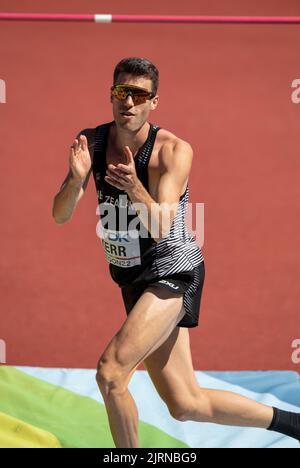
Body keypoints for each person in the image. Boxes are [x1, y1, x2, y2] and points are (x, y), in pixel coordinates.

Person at [52, 57, 300, 448]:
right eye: (121, 92)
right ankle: (295, 424)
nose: (128, 103)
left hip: (172, 271)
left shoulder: (172, 151)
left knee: (111, 374)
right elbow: (60, 215)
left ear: (154, 102)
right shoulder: (92, 142)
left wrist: (134, 186)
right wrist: (76, 180)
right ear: (110, 95)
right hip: (133, 277)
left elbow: (162, 227)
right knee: (186, 403)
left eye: (138, 95)